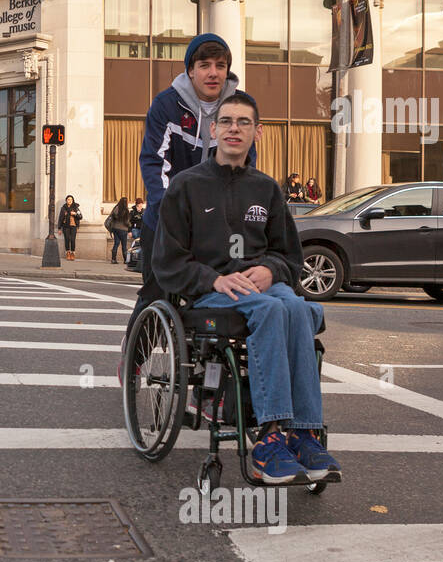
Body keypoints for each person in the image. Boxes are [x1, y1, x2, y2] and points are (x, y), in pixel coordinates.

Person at [152, 92, 341, 485]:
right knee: (273, 310)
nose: (233, 128)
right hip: (210, 293)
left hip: (262, 289)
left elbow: (289, 255)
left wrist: (271, 270)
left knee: (302, 309)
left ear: (257, 132)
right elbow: (167, 262)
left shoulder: (267, 189)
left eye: (243, 122)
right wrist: (213, 278)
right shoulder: (186, 187)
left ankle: (304, 433)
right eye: (226, 121)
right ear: (213, 128)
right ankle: (270, 439)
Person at [127, 33, 255, 333]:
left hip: (218, 222)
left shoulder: (239, 106)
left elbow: (245, 166)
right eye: (205, 65)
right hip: (166, 219)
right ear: (190, 70)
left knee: (231, 287)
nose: (213, 73)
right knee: (157, 292)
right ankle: (135, 356)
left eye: (220, 66)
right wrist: (171, 210)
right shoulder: (166, 104)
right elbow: (154, 162)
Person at [105, 197, 130, 264]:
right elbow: (127, 222)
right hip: (123, 229)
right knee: (124, 245)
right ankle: (125, 260)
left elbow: (112, 217)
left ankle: (113, 259)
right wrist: (129, 225)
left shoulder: (116, 208)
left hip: (115, 228)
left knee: (116, 243)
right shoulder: (126, 210)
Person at [57, 195, 82, 260]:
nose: (70, 201)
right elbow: (60, 218)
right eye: (68, 199)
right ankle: (68, 252)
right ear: (66, 200)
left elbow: (80, 216)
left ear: (73, 200)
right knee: (67, 239)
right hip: (66, 226)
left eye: (71, 199)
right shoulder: (63, 208)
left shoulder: (76, 207)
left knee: (73, 240)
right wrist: (59, 228)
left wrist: (75, 214)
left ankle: (73, 253)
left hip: (74, 226)